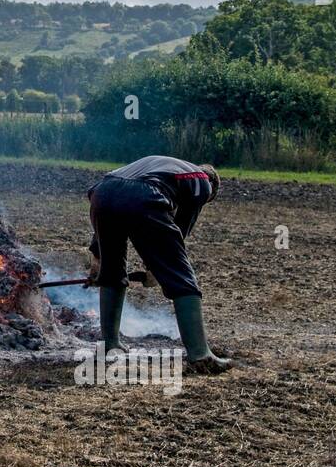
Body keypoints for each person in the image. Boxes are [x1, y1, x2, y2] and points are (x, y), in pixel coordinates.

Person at [87, 156, 234, 374]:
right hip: (143, 194)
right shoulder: (202, 180)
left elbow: (115, 196)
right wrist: (156, 271)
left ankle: (110, 345)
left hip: (102, 192)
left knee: (112, 273)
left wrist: (99, 262)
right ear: (211, 188)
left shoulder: (166, 167)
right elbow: (178, 236)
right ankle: (200, 354)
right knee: (180, 276)